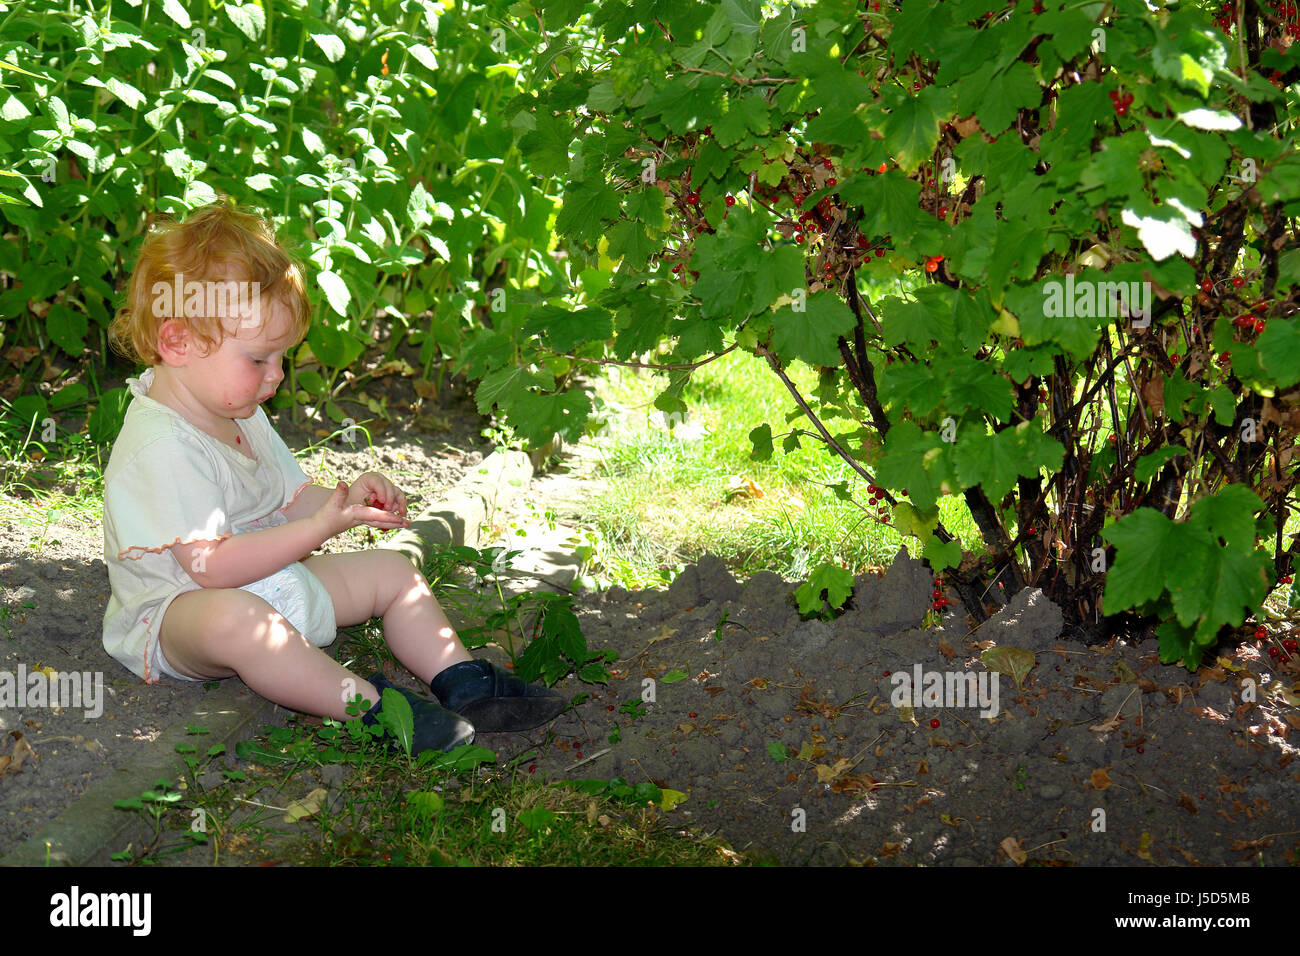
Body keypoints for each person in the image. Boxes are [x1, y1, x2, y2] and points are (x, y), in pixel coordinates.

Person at [101, 199, 564, 753]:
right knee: (240, 621)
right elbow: (212, 568)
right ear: (177, 342)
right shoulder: (161, 443)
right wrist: (319, 529)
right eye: (258, 360)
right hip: (184, 613)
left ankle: (462, 680)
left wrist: (345, 501)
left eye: (282, 358)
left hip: (272, 580)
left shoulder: (237, 411)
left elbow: (291, 498)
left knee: (393, 573)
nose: (275, 377)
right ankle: (374, 708)